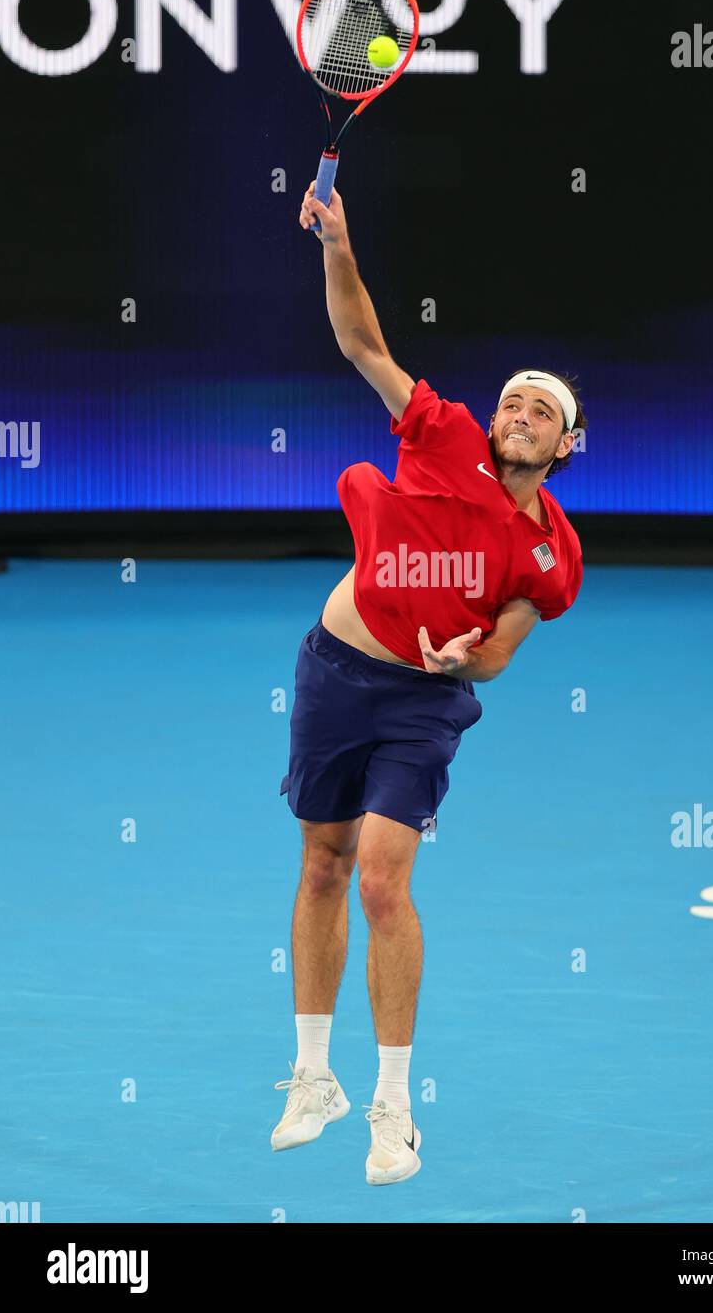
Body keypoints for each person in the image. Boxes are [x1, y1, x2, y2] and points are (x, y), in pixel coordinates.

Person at [271, 182, 585, 1185]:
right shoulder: (441, 431)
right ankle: (312, 1076)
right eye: (512, 402)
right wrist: (337, 243)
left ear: (564, 445)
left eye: (541, 410)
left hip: (422, 702)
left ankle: (394, 1108)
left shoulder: (552, 554)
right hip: (333, 670)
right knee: (321, 866)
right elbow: (361, 341)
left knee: (379, 877)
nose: (519, 414)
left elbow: (503, 648)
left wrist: (465, 662)